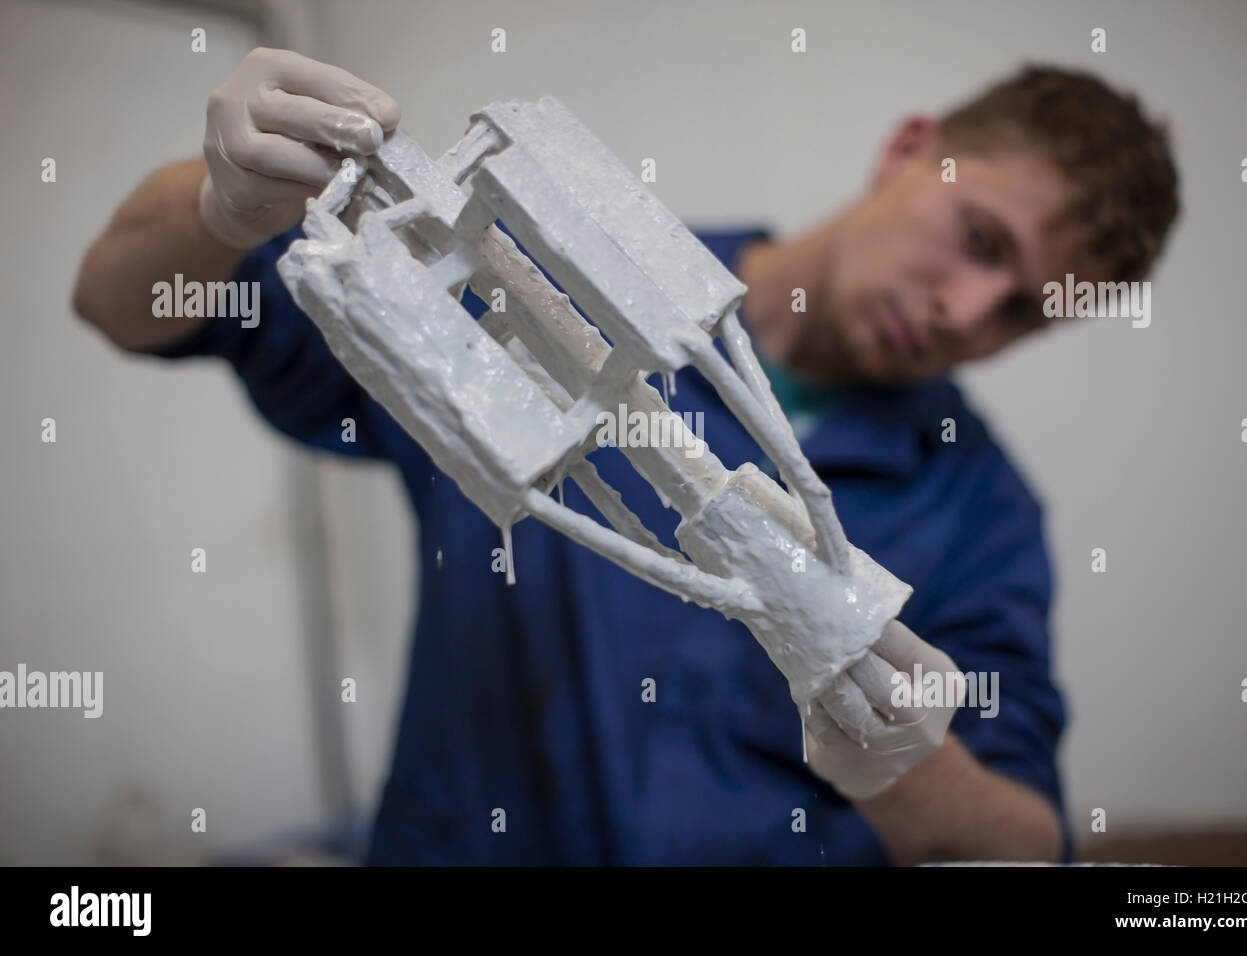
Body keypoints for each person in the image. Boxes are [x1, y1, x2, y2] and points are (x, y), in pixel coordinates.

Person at [73, 49, 1179, 865]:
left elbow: (1027, 838)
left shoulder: (981, 511)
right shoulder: (551, 276)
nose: (967, 309)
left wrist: (905, 762)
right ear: (909, 152)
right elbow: (124, 306)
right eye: (980, 240)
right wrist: (217, 204)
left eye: (1025, 310)